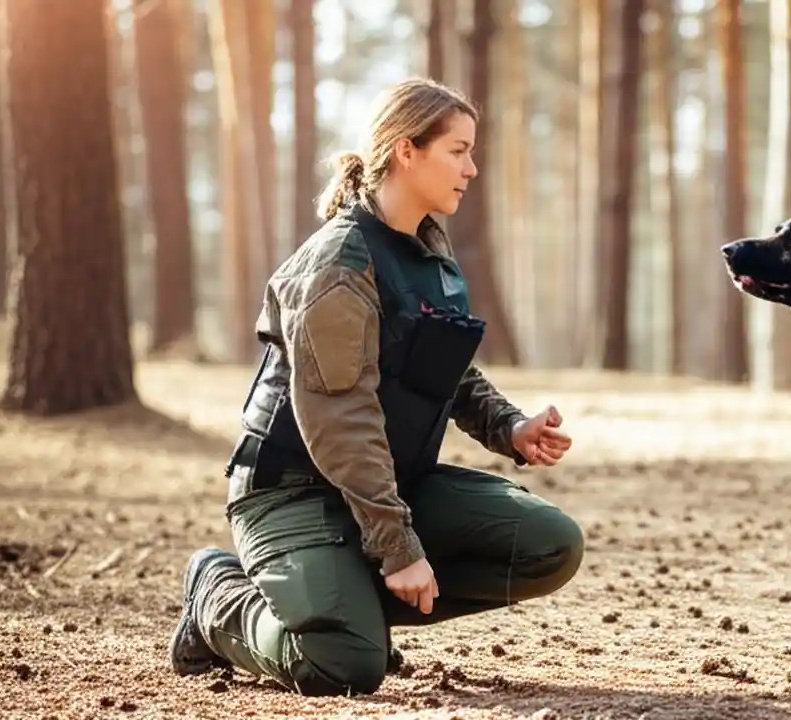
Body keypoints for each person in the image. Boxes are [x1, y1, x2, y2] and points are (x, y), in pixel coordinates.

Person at [168, 78, 584, 697]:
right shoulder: (339, 264)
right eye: (458, 150)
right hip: (292, 493)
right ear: (406, 150)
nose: (472, 169)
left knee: (549, 544)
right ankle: (219, 598)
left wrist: (510, 428)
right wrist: (396, 547)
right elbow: (341, 419)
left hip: (386, 485)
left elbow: (444, 364)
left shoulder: (427, 250)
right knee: (343, 667)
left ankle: (340, 608)